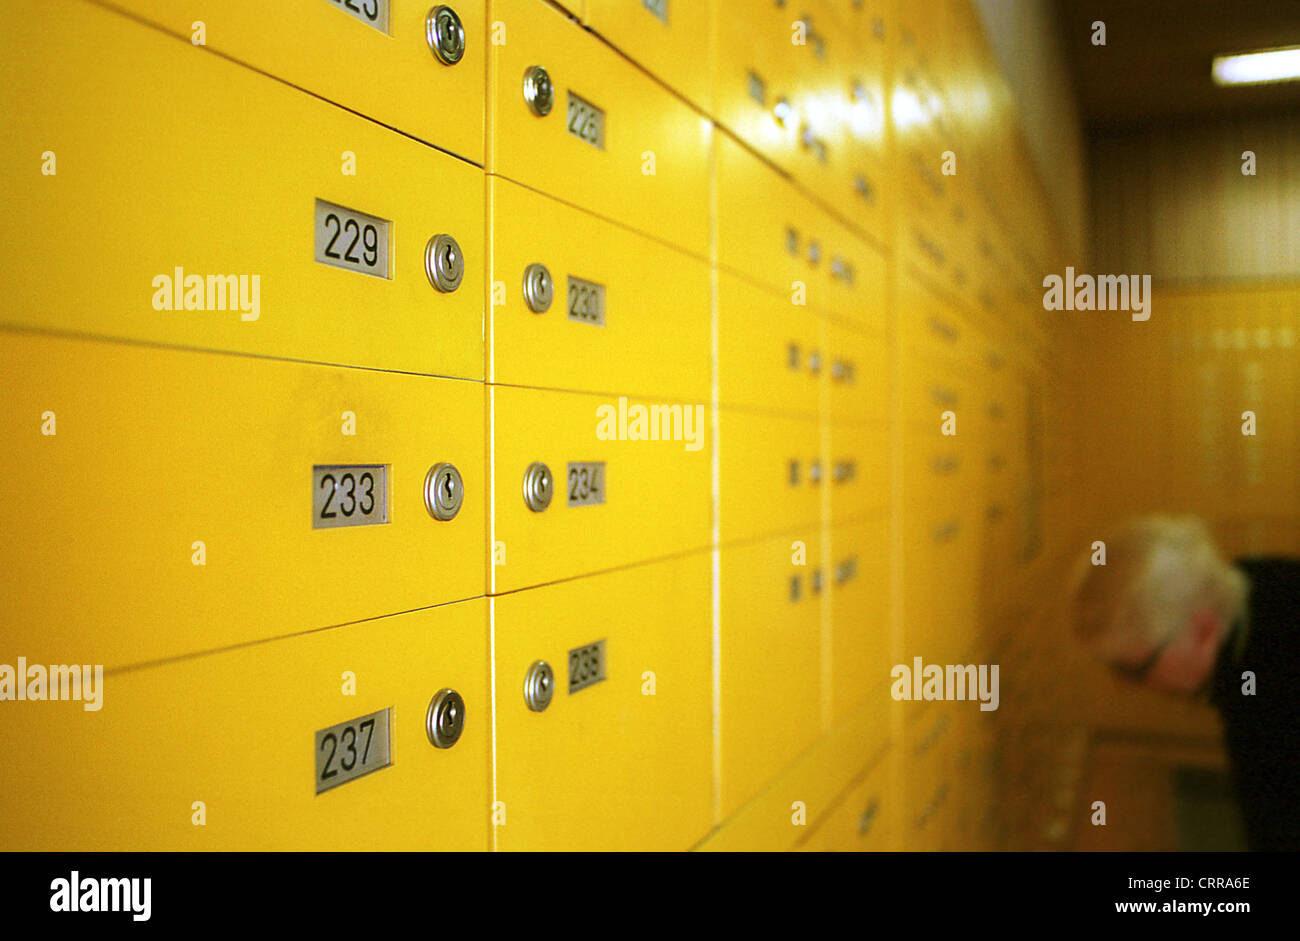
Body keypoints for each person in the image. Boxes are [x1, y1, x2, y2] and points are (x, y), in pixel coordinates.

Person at [1068, 515, 1300, 850]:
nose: (1125, 687)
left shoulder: (1269, 724)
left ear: (1203, 630)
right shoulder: (1254, 585)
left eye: (1134, 669)